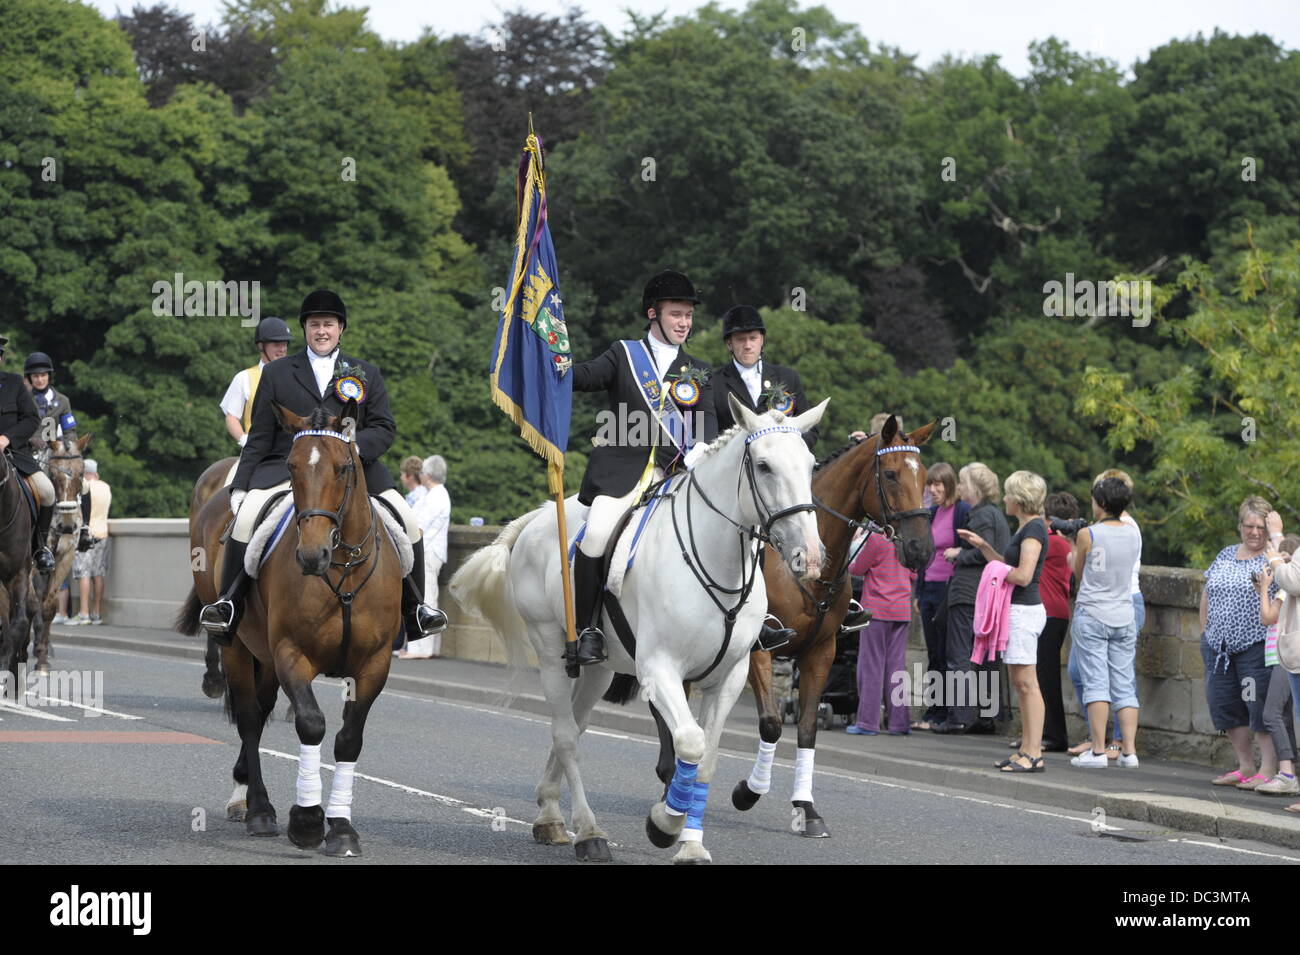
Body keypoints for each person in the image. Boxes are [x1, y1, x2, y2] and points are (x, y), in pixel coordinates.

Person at [199, 290, 446, 644]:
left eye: (328, 324)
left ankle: (416, 611)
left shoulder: (364, 374)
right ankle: (228, 606)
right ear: (305, 330)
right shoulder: (279, 373)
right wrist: (241, 484)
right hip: (289, 469)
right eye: (314, 324)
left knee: (408, 523)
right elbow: (260, 433)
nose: (321, 331)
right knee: (247, 519)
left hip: (353, 470)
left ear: (340, 328)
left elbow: (384, 427)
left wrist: (355, 448)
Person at [568, 270, 718, 666]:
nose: (684, 322)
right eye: (675, 314)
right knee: (596, 534)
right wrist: (557, 364)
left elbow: (706, 424)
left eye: (688, 315)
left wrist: (700, 449)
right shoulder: (623, 354)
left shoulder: (698, 370)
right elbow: (587, 376)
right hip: (621, 473)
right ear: (653, 314)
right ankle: (588, 630)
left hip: (675, 478)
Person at [709, 304, 837, 643]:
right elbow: (710, 435)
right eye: (740, 340)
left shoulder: (787, 379)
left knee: (816, 517)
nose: (747, 345)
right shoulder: (714, 383)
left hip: (782, 475)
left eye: (753, 338)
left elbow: (809, 431)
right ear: (729, 344)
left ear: (762, 340)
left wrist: (786, 447)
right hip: (738, 482)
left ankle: (839, 603)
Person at [957, 470, 1050, 772]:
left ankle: (1034, 753)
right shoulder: (1027, 527)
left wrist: (993, 572)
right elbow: (1005, 564)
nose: (1005, 498)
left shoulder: (1034, 529)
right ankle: (1026, 748)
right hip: (1018, 611)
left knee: (1026, 684)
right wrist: (983, 546)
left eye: (1009, 494)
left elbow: (1022, 575)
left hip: (1024, 611)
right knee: (1020, 683)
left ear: (1019, 499)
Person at [1201, 496, 1279, 788]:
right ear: (1240, 526)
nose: (1255, 532)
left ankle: (1268, 767)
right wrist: (1204, 632)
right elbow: (1207, 591)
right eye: (1249, 525)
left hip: (1254, 647)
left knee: (1256, 705)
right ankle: (1245, 765)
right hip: (1218, 648)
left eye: (1261, 526)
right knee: (1226, 706)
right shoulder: (1226, 553)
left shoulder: (1272, 558)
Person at [1066, 478, 1143, 768]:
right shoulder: (1134, 534)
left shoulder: (1088, 534)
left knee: (1096, 682)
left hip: (1094, 613)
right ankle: (1129, 751)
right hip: (1124, 613)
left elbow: (1079, 571)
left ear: (1100, 503)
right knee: (1124, 684)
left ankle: (1098, 750)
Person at [931, 462, 1009, 734]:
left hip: (968, 590)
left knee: (959, 655)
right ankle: (987, 716)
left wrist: (957, 554)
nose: (959, 487)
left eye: (963, 483)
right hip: (989, 592)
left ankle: (958, 716)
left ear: (974, 487)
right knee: (987, 655)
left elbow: (982, 552)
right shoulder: (996, 515)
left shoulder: (980, 516)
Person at [911, 462, 969, 731]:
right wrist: (919, 592)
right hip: (930, 588)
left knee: (948, 652)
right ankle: (935, 710)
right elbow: (925, 554)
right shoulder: (931, 513)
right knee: (934, 653)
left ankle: (947, 712)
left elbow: (969, 547)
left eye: (938, 484)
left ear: (950, 485)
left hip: (950, 589)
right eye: (930, 484)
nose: (933, 489)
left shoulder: (961, 512)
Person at [845, 527, 915, 735]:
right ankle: (899, 723)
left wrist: (853, 544)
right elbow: (913, 573)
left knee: (871, 665)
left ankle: (867, 721)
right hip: (901, 609)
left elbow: (856, 568)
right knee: (897, 667)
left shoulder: (877, 540)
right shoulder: (907, 539)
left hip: (877, 608)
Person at [0, 339, 56, 573]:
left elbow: (31, 418)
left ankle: (39, 548)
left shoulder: (14, 383)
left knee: (48, 491)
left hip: (14, 455)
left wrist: (7, 438)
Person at [1253, 532, 1300, 795]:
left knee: (1271, 714)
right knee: (1284, 716)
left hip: (1286, 657)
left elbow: (1268, 617)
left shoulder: (1288, 583)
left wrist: (1263, 590)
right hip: (1281, 656)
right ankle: (1288, 772)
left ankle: (1286, 773)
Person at [1036, 491, 1077, 752]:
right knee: (1041, 677)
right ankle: (1043, 733)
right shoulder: (1067, 545)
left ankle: (1054, 734)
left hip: (1049, 614)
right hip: (1055, 613)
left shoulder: (1053, 543)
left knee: (1045, 678)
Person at [400, 455, 450, 659]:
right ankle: (428, 647)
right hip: (429, 552)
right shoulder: (434, 495)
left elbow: (418, 524)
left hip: (428, 553)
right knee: (428, 597)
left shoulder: (436, 496)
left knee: (425, 599)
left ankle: (421, 648)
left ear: (427, 475)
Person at [219, 316, 292, 449]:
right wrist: (243, 439)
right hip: (257, 450)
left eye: (285, 344)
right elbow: (231, 417)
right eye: (276, 344)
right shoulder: (244, 377)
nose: (282, 349)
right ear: (261, 346)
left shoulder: (295, 376)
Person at [70, 458, 111, 625]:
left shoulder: (84, 487)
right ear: (96, 473)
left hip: (86, 535)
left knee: (84, 573)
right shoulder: (106, 487)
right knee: (98, 573)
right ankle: (96, 613)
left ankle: (83, 613)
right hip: (103, 533)